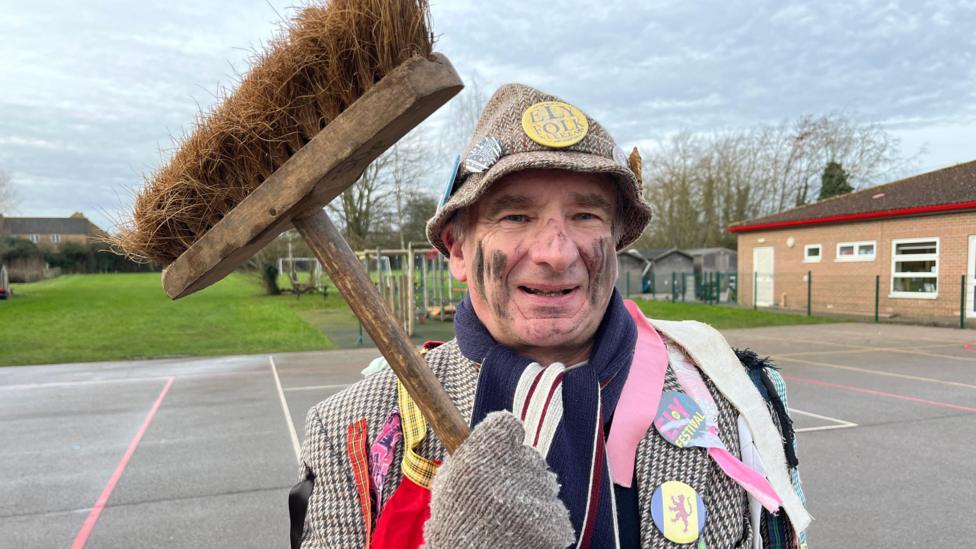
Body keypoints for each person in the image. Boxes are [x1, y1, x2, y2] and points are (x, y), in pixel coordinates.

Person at [292, 84, 811, 549]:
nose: (556, 252)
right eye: (516, 216)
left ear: (615, 240)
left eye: (585, 215)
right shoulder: (353, 427)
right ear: (456, 247)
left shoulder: (738, 399)